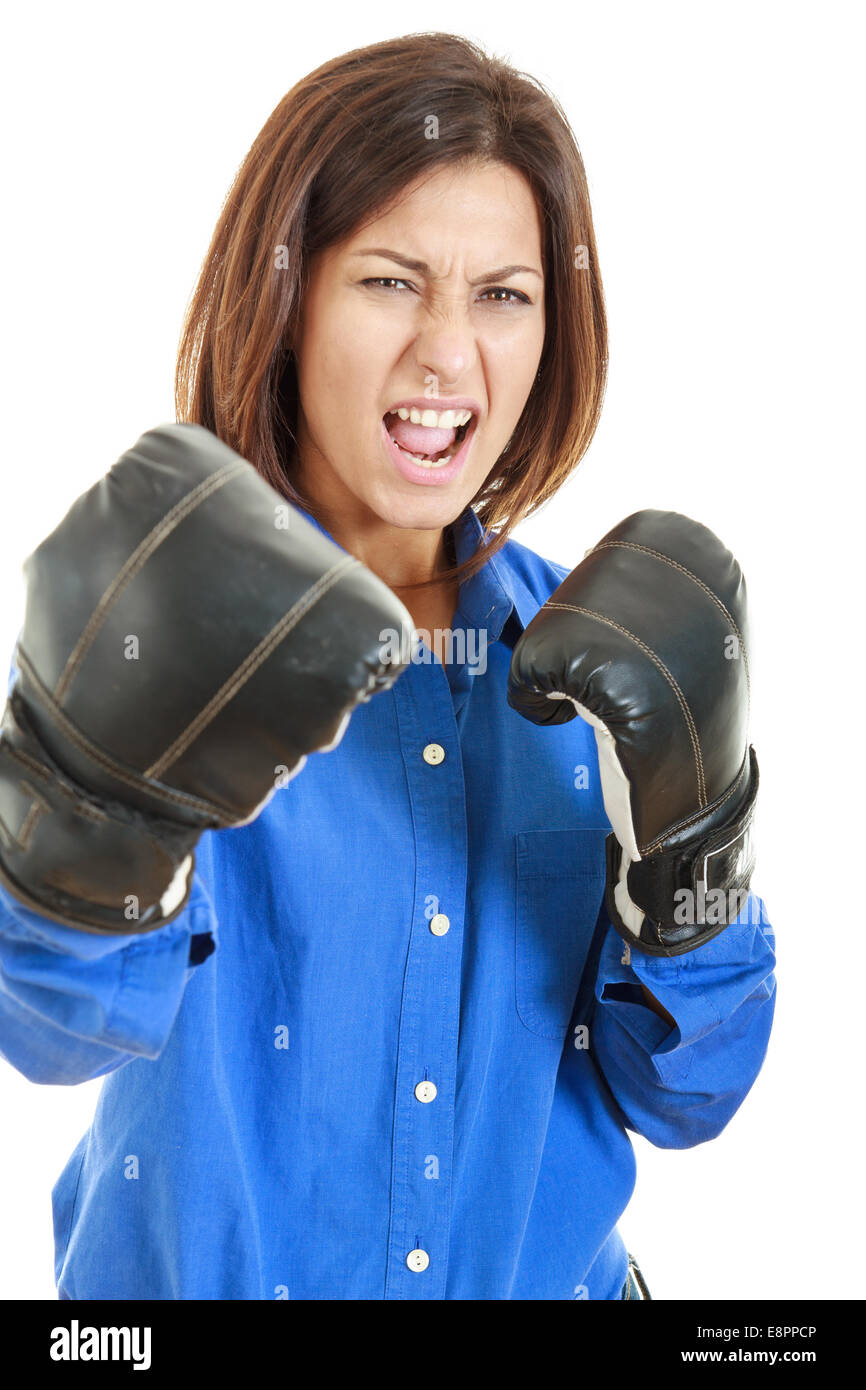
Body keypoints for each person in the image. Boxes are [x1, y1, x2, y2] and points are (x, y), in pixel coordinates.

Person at [0, 32, 775, 1301]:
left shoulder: (601, 662)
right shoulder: (178, 631)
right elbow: (49, 1031)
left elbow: (690, 1096)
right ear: (287, 297)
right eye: (389, 281)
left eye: (504, 295)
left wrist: (696, 844)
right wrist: (82, 798)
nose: (446, 355)